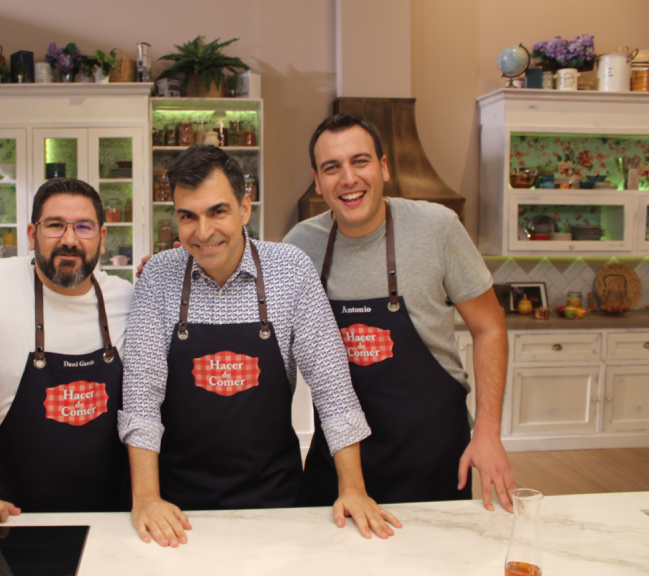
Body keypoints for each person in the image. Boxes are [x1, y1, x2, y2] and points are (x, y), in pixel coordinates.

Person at [119, 145, 401, 548]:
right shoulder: (158, 277)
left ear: (244, 208)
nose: (202, 232)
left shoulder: (290, 269)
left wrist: (353, 488)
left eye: (217, 211)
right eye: (187, 216)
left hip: (276, 500)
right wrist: (147, 499)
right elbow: (141, 399)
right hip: (177, 511)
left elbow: (333, 390)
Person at [284, 113, 515, 512]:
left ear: (383, 167)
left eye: (360, 161)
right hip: (338, 457)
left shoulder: (437, 228)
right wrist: (174, 268)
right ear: (318, 181)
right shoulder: (301, 245)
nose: (348, 179)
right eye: (332, 168)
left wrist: (488, 432)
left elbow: (489, 327)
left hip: (430, 451)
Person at [0, 178, 134, 525]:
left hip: (115, 519)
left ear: (102, 239)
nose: (69, 240)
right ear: (31, 233)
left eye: (83, 227)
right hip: (12, 517)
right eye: (55, 225)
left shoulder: (128, 297)